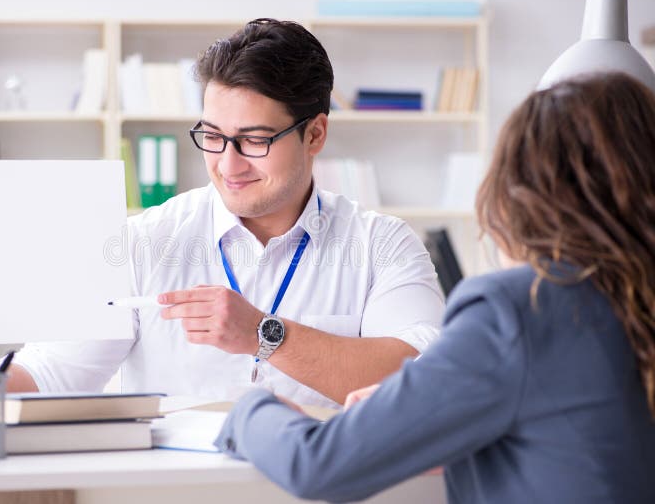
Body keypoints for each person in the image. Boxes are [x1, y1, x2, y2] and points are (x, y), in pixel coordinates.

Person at [0, 19, 444, 409]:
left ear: (316, 133)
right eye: (212, 136)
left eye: (254, 140)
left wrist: (265, 334)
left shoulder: (382, 246)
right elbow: (53, 375)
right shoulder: (143, 241)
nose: (227, 164)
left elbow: (429, 378)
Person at [215, 72, 655, 502]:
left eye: (255, 138)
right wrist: (419, 406)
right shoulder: (631, 300)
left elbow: (317, 466)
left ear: (519, 192)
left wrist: (250, 411)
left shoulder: (515, 310)